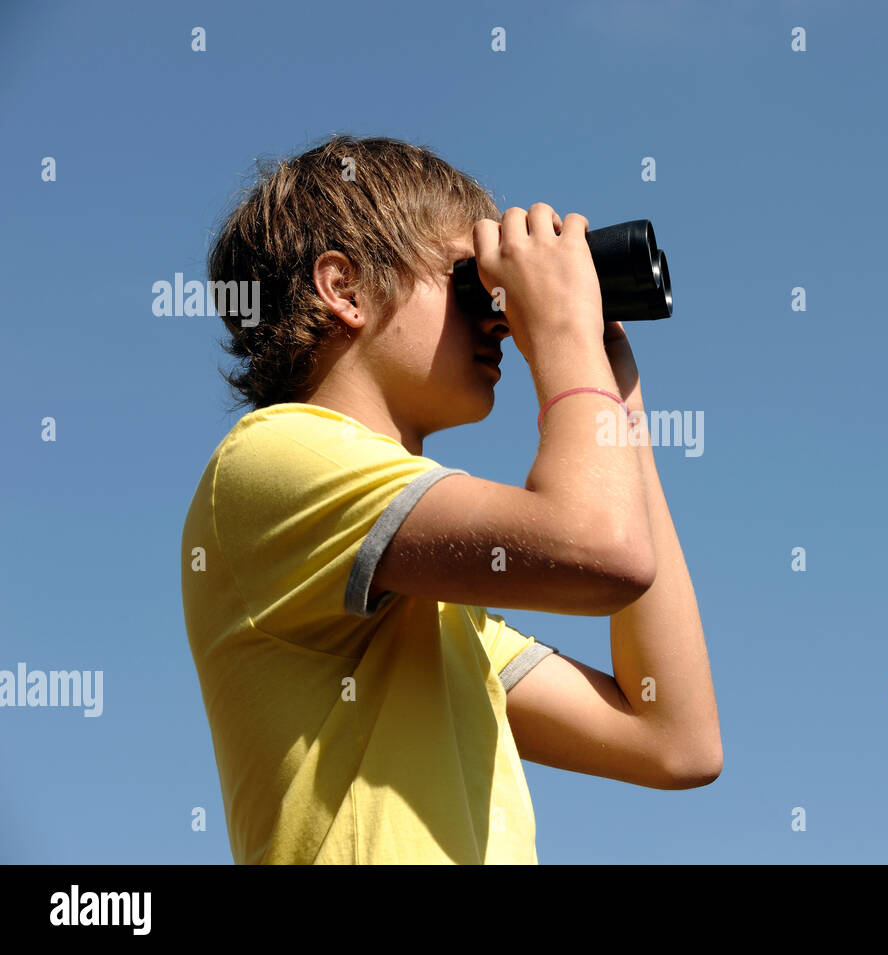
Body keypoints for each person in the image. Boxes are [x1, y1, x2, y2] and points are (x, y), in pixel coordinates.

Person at [179, 135, 721, 864]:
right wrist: (561, 332)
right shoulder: (274, 458)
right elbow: (602, 547)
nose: (500, 314)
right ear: (345, 288)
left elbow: (673, 738)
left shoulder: (437, 620)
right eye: (471, 278)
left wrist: (615, 398)